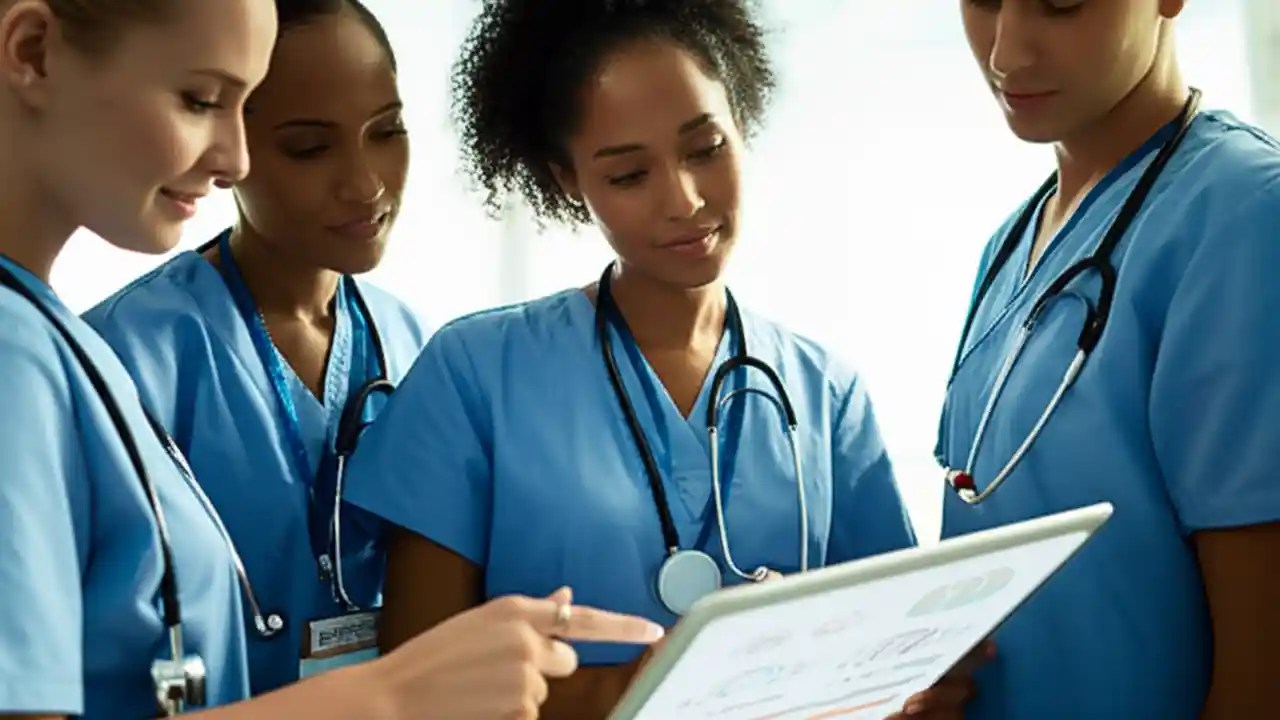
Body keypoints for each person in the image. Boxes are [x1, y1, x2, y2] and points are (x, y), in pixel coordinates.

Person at [0, 0, 663, 718]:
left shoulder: (427, 350)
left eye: (388, 131)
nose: (231, 160)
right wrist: (394, 694)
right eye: (200, 101)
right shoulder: (83, 352)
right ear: (31, 52)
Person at [341, 1, 981, 717]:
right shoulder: (473, 373)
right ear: (567, 182)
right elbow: (413, 683)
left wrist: (914, 687)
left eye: (705, 149)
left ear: (742, 125)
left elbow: (888, 649)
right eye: (627, 175)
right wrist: (626, 692)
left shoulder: (824, 388)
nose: (684, 199)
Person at [935, 1, 1280, 718]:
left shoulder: (1246, 216)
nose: (1004, 54)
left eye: (1059, 4)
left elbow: (1264, 672)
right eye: (983, 1)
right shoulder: (1009, 248)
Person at [83, 0, 427, 695]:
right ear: (228, 149)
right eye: (309, 147)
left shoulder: (412, 344)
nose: (366, 183)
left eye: (386, 130)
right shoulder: (126, 354)